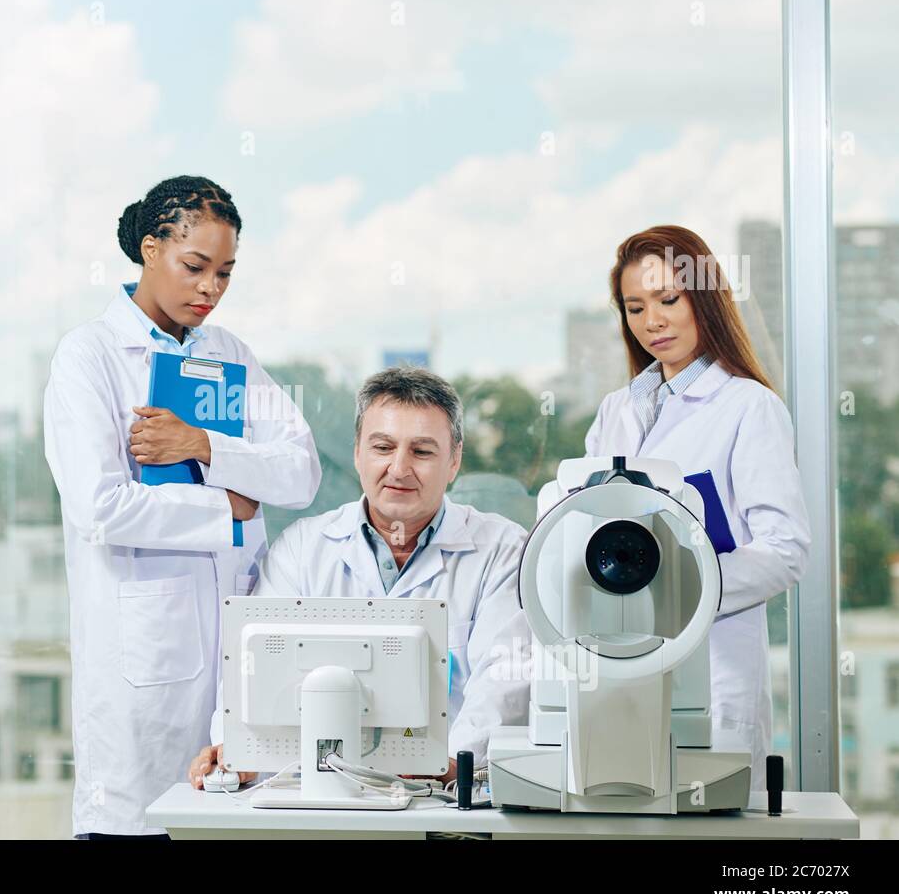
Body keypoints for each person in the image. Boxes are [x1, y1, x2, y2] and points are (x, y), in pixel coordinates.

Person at [43, 175, 321, 836]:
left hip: (240, 667)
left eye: (225, 273)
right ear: (149, 249)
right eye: (195, 267)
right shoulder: (90, 357)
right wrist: (227, 508)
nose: (211, 289)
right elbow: (102, 507)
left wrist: (203, 444)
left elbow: (301, 471)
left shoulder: (231, 355)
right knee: (138, 823)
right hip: (142, 666)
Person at [188, 366, 530, 788]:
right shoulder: (301, 549)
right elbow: (250, 668)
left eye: (422, 452)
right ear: (357, 453)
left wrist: (451, 765)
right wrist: (237, 752)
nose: (399, 469)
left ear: (454, 460)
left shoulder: (503, 551)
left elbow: (505, 681)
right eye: (383, 447)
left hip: (447, 807)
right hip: (322, 795)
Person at [585, 224, 810, 790]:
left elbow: (785, 552)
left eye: (668, 300)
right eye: (635, 307)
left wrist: (684, 587)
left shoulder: (748, 407)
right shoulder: (618, 409)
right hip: (620, 663)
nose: (651, 322)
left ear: (703, 299)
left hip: (715, 671)